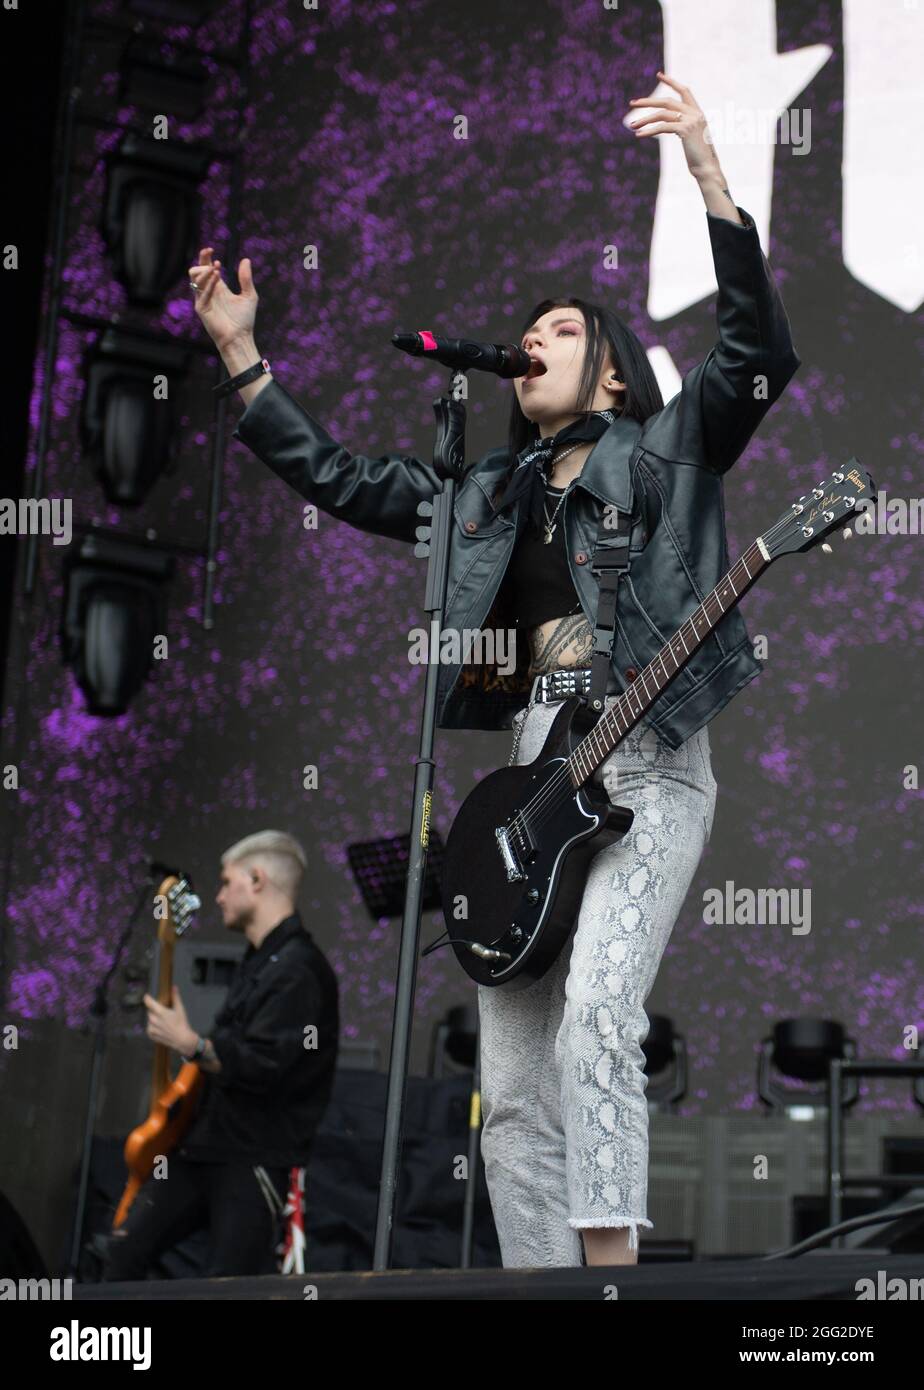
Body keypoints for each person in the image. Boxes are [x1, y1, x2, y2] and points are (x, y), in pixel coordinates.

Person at [187, 72, 800, 1269]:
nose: (537, 340)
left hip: (655, 759)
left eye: (566, 329)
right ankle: (541, 1296)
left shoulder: (664, 446)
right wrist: (245, 362)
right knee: (512, 1083)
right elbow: (346, 479)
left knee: (595, 1026)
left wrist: (711, 172)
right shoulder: (481, 493)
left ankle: (612, 1280)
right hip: (529, 776)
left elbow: (759, 349)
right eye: (531, 332)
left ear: (614, 375)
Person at [103, 831, 339, 1280]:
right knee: (120, 1254)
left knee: (228, 1286)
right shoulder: (259, 959)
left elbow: (265, 1066)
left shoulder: (300, 968)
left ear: (256, 879)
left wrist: (190, 1042)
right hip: (205, 1147)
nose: (218, 895)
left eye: (226, 882)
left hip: (256, 1160)